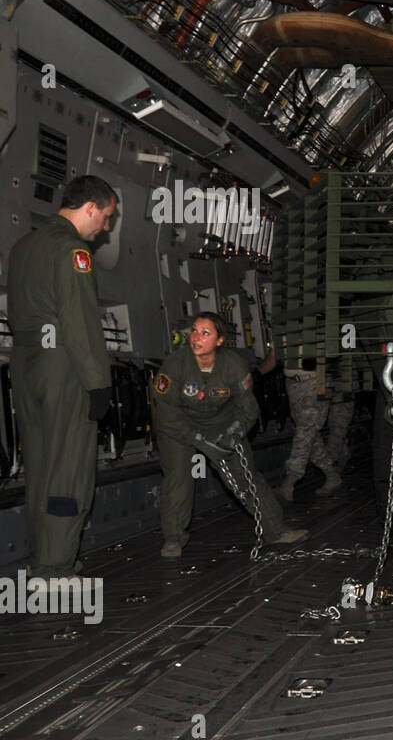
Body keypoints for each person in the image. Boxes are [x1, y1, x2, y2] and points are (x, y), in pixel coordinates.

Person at [9, 175, 118, 581]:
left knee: (39, 464)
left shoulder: (24, 246)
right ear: (90, 207)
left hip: (25, 363)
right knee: (69, 465)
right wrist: (98, 383)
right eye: (106, 217)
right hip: (63, 368)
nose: (105, 228)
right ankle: (54, 569)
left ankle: (44, 558)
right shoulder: (73, 250)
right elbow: (80, 322)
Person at [151, 313, 307, 557]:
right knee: (178, 478)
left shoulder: (233, 365)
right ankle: (173, 538)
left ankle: (276, 531)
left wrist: (234, 434)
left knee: (245, 477)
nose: (196, 337)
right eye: (194, 330)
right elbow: (166, 411)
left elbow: (248, 408)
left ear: (220, 340)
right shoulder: (175, 364)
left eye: (205, 333)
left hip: (221, 424)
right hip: (179, 427)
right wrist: (196, 439)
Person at [278, 358, 343, 499]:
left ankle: (291, 478)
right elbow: (275, 354)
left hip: (316, 380)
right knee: (310, 436)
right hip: (293, 383)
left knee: (306, 430)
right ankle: (332, 475)